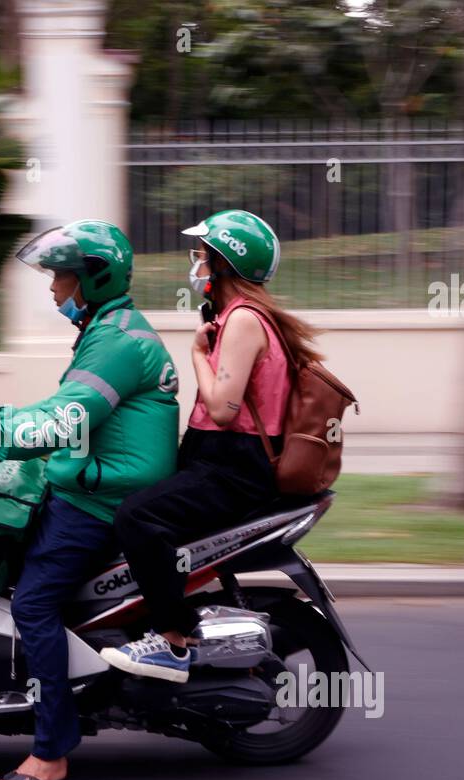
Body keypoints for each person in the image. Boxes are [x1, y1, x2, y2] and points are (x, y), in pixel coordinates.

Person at [0, 220, 178, 780]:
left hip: (100, 499)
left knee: (32, 601)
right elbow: (63, 407)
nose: (53, 287)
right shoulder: (109, 330)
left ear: (93, 278)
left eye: (61, 275)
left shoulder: (117, 342)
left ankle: (51, 752)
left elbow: (65, 422)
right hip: (90, 483)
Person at [101, 209, 323, 683]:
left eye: (203, 255)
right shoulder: (237, 317)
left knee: (138, 517)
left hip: (232, 468)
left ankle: (172, 641)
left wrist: (198, 354)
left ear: (226, 263)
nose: (196, 263)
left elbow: (223, 408)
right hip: (217, 459)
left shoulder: (243, 319)